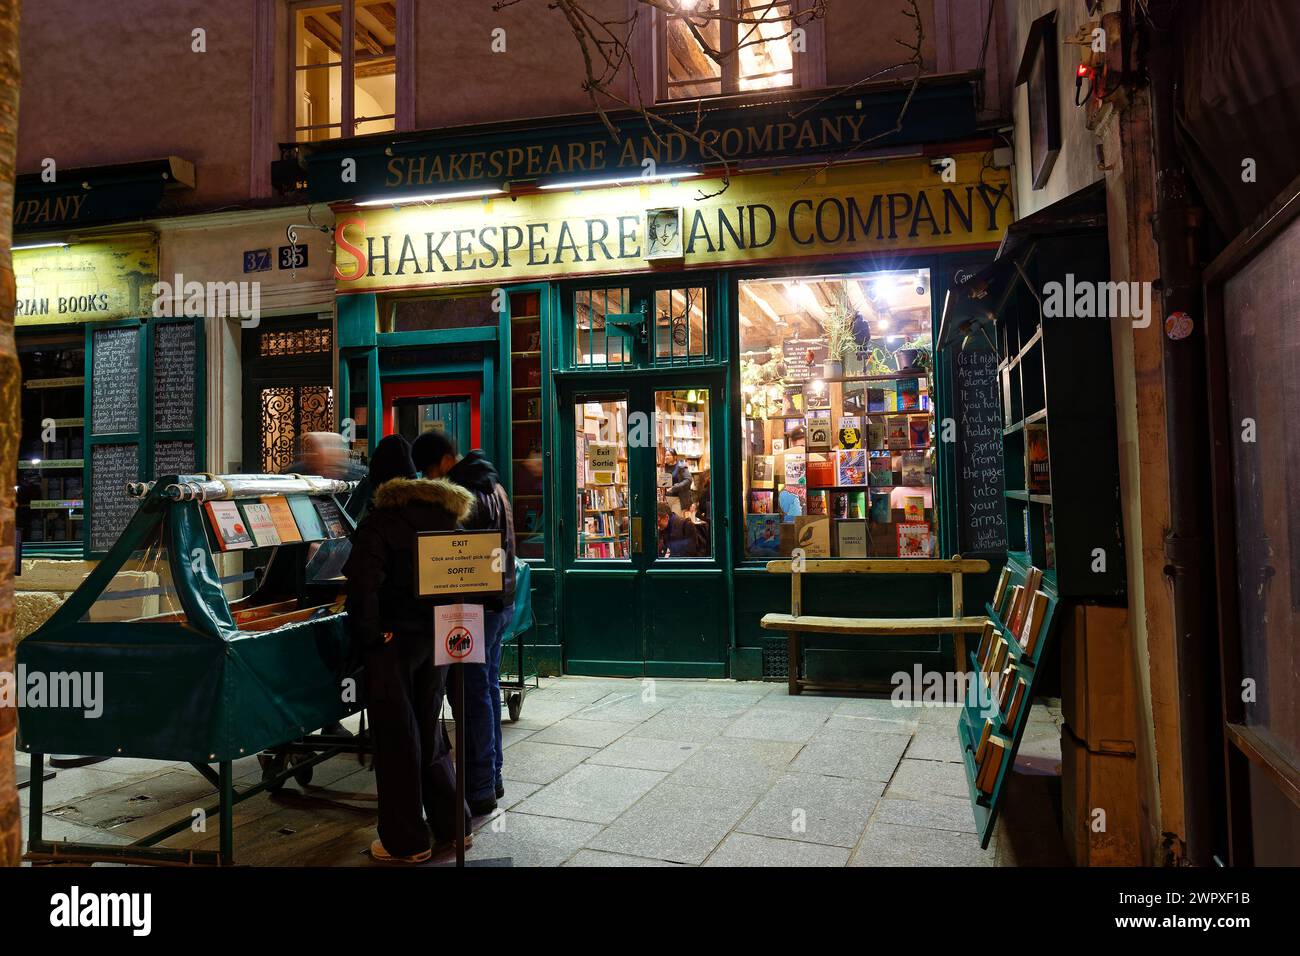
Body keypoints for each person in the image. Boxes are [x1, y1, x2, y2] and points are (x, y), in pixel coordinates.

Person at [343, 434, 475, 863]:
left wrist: (370, 634)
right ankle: (454, 827)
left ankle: (406, 841)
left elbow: (363, 585)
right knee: (429, 727)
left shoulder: (380, 521)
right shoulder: (442, 515)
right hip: (437, 637)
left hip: (395, 643)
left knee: (398, 739)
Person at [411, 431, 516, 816]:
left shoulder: (464, 495)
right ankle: (493, 776)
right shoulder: (494, 485)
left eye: (427, 469)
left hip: (475, 609)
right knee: (486, 690)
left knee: (470, 697)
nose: (427, 477)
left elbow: (456, 559)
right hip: (500, 604)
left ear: (442, 461)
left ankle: (479, 788)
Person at [664, 448, 693, 514]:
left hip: (678, 499)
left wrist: (675, 488)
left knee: (676, 521)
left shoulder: (681, 466)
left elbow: (688, 480)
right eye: (665, 455)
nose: (666, 457)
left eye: (668, 455)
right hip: (666, 499)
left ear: (674, 457)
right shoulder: (664, 467)